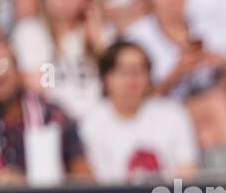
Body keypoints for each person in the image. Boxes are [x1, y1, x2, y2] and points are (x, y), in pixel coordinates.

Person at [124, 0, 226, 150]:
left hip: (202, 110)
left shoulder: (207, 26)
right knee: (217, 104)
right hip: (159, 113)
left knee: (209, 135)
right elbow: (134, 96)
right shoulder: (138, 37)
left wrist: (222, 64)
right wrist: (176, 74)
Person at [79, 39, 199, 183]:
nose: (132, 78)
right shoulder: (91, 122)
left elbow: (188, 170)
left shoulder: (173, 114)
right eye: (124, 71)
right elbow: (97, 183)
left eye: (139, 70)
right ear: (106, 77)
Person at [0, 33, 91, 185]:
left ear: (19, 72)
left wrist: (26, 183)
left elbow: (86, 181)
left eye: (4, 65)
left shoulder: (52, 116)